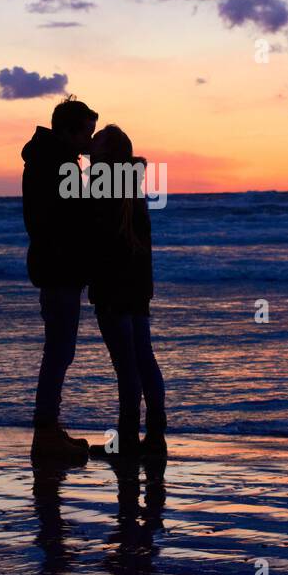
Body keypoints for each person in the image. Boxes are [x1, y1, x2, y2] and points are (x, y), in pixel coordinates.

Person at [21, 96, 99, 460]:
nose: (88, 142)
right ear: (68, 132)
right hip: (59, 269)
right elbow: (72, 218)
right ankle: (46, 432)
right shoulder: (57, 164)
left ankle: (49, 430)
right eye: (86, 134)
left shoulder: (48, 159)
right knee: (58, 352)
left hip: (56, 267)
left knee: (58, 351)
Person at [86, 125, 167, 460]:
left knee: (128, 366)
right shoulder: (133, 186)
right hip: (136, 287)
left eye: (98, 142)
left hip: (113, 287)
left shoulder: (103, 187)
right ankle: (155, 438)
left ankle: (129, 440)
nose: (91, 144)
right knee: (143, 360)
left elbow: (97, 243)